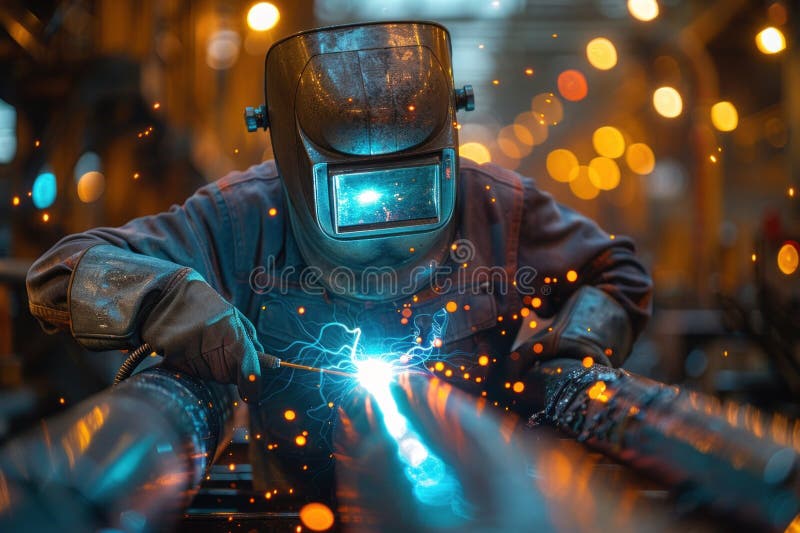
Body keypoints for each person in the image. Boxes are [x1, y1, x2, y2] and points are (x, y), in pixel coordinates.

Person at [26, 21, 651, 486]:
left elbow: (617, 275)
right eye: (358, 197)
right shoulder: (245, 217)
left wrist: (572, 350)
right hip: (296, 509)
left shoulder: (496, 208)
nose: (385, 234)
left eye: (407, 191)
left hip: (479, 504)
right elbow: (57, 275)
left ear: (446, 149)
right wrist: (163, 298)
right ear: (299, 168)